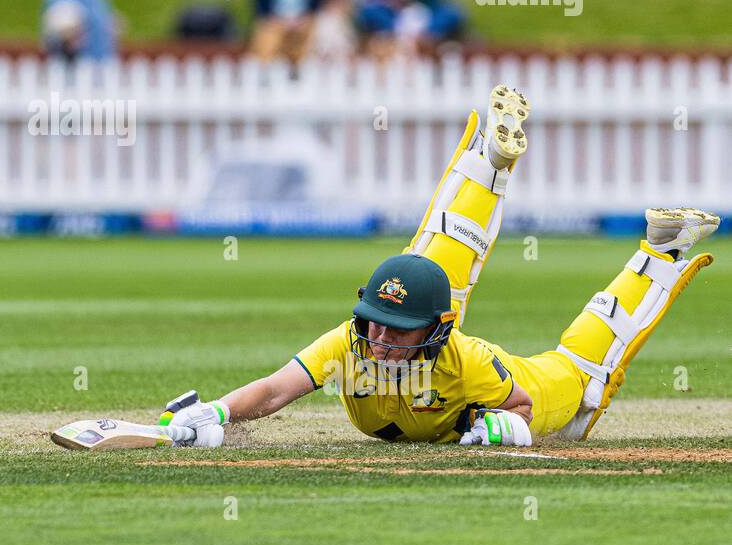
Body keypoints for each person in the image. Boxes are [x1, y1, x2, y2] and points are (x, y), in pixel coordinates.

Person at [156, 85, 719, 448]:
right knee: (427, 264)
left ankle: (662, 248)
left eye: (395, 330)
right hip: (443, 356)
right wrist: (217, 413)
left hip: (524, 386)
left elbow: (520, 405)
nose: (377, 339)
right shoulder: (350, 345)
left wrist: (506, 425)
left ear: (436, 330)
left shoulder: (464, 361)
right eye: (372, 321)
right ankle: (489, 161)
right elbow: (277, 390)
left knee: (581, 374)